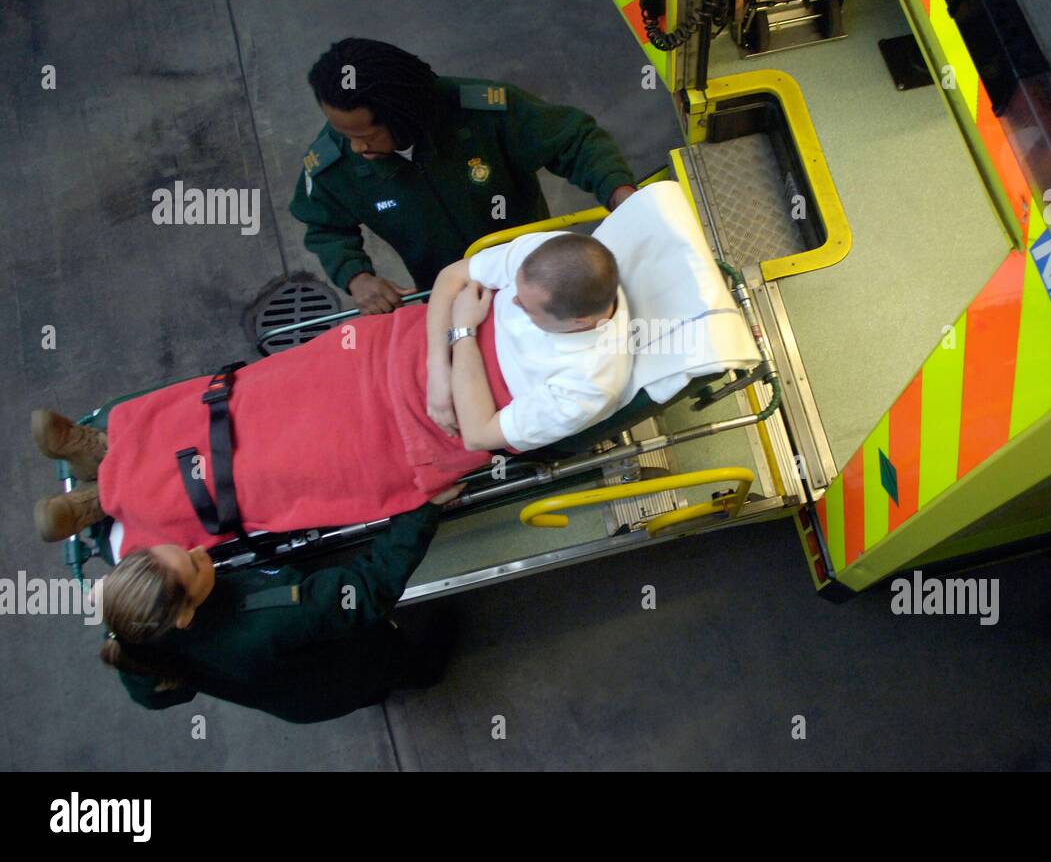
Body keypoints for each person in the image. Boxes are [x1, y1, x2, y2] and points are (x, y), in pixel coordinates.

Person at [31, 231, 632, 552]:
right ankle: (106, 446)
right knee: (248, 399)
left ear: (580, 324)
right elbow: (455, 276)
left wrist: (464, 336)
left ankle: (106, 502)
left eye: (526, 310)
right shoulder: (553, 262)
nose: (515, 309)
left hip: (408, 437)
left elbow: (478, 432)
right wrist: (443, 351)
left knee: (263, 466)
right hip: (389, 353)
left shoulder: (588, 382)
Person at [290, 38, 639, 314]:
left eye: (365, 135)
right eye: (343, 133)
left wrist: (619, 192)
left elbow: (574, 142)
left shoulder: (481, 112)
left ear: (402, 116)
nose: (353, 147)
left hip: (536, 274)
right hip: (451, 296)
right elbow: (324, 226)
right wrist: (356, 276)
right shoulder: (332, 163)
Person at [100, 501, 457, 723]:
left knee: (364, 692)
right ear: (183, 617)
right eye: (194, 567)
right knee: (396, 664)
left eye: (183, 549)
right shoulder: (266, 619)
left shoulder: (140, 640)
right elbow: (366, 590)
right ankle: (426, 670)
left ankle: (375, 695)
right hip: (351, 667)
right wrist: (422, 508)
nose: (199, 552)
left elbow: (154, 695)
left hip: (299, 701)